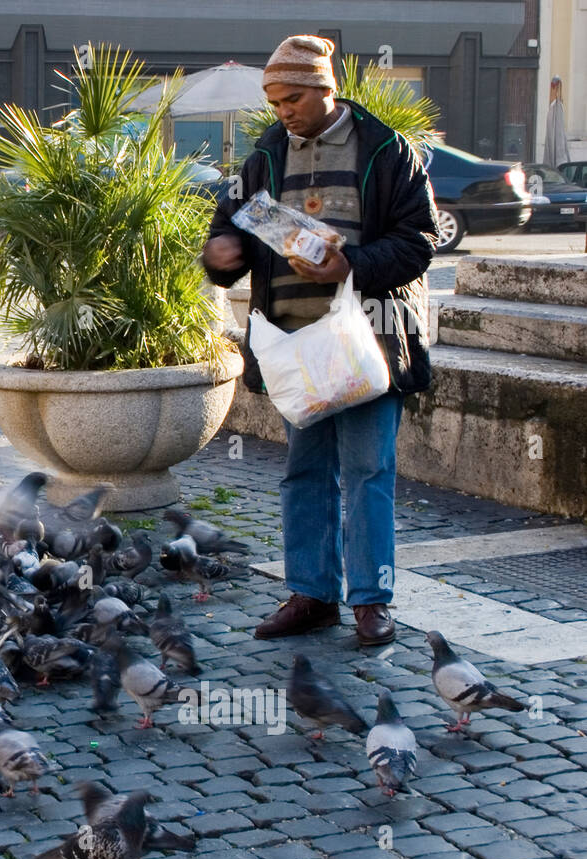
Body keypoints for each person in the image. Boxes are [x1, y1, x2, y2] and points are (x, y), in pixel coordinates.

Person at [202, 34, 438, 647]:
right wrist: (221, 254)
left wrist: (349, 265)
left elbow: (420, 241)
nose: (283, 110)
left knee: (368, 471)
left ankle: (371, 600)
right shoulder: (264, 156)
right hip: (292, 343)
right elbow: (232, 231)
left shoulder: (387, 150)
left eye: (293, 97)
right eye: (275, 99)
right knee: (304, 474)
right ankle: (311, 595)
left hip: (368, 341)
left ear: (326, 89)